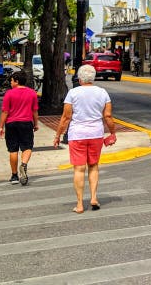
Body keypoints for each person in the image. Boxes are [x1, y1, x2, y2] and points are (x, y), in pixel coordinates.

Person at [54, 64, 117, 214]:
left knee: (79, 168)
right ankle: (94, 198)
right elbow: (107, 116)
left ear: (80, 78)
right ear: (93, 77)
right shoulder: (102, 93)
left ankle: (80, 204)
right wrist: (112, 133)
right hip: (96, 134)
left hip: (77, 135)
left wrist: (58, 135)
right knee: (93, 166)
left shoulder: (73, 93)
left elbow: (66, 117)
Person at [0, 71, 39, 186]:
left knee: (13, 149)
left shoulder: (9, 94)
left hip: (11, 124)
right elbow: (34, 111)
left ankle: (14, 175)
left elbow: (5, 112)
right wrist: (36, 124)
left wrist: (1, 126)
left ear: (16, 81)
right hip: (26, 123)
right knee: (27, 147)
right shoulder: (32, 93)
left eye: (11, 81)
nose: (10, 83)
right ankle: (24, 164)